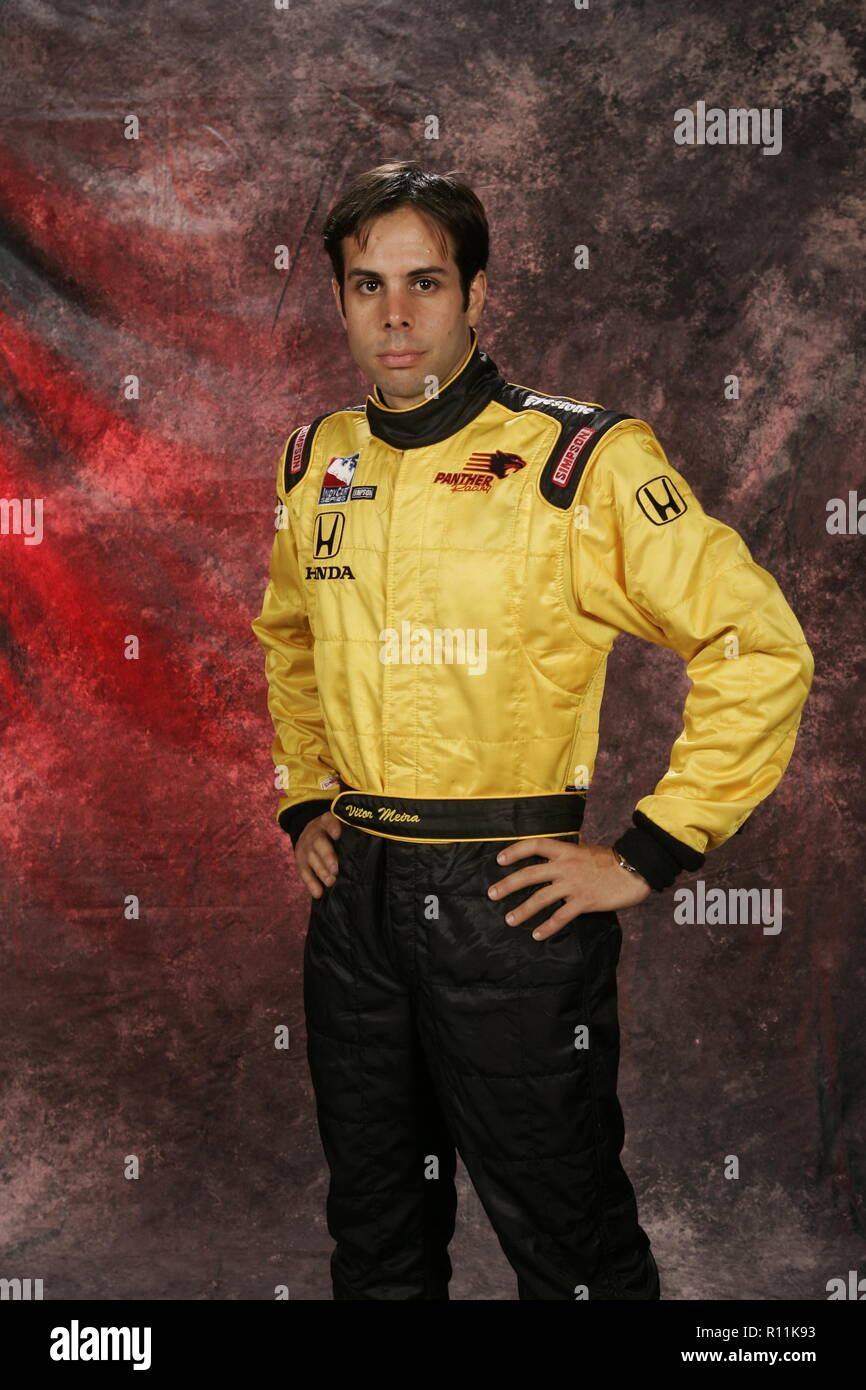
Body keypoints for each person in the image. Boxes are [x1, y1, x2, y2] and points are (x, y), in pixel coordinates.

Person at [250, 161, 815, 1300]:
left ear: (477, 295)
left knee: (567, 1243)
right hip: (356, 904)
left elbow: (757, 647)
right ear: (339, 299)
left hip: (504, 899)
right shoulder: (320, 463)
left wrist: (649, 852)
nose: (395, 315)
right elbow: (290, 640)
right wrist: (307, 795)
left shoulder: (579, 464)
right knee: (374, 1238)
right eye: (367, 286)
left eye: (424, 283)